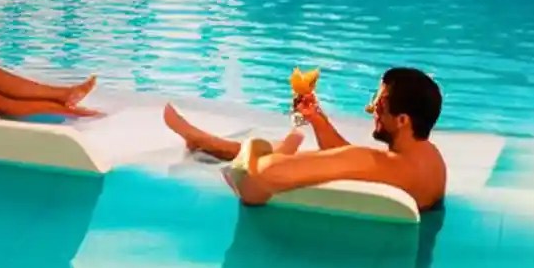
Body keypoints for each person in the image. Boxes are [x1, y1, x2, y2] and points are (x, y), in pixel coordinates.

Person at [162, 67, 446, 211]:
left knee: (271, 149)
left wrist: (287, 142)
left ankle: (207, 143)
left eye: (380, 105)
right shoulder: (431, 162)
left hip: (269, 208)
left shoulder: (374, 161)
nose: (371, 110)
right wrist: (316, 118)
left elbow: (262, 176)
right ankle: (207, 143)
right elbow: (360, 165)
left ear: (403, 120)